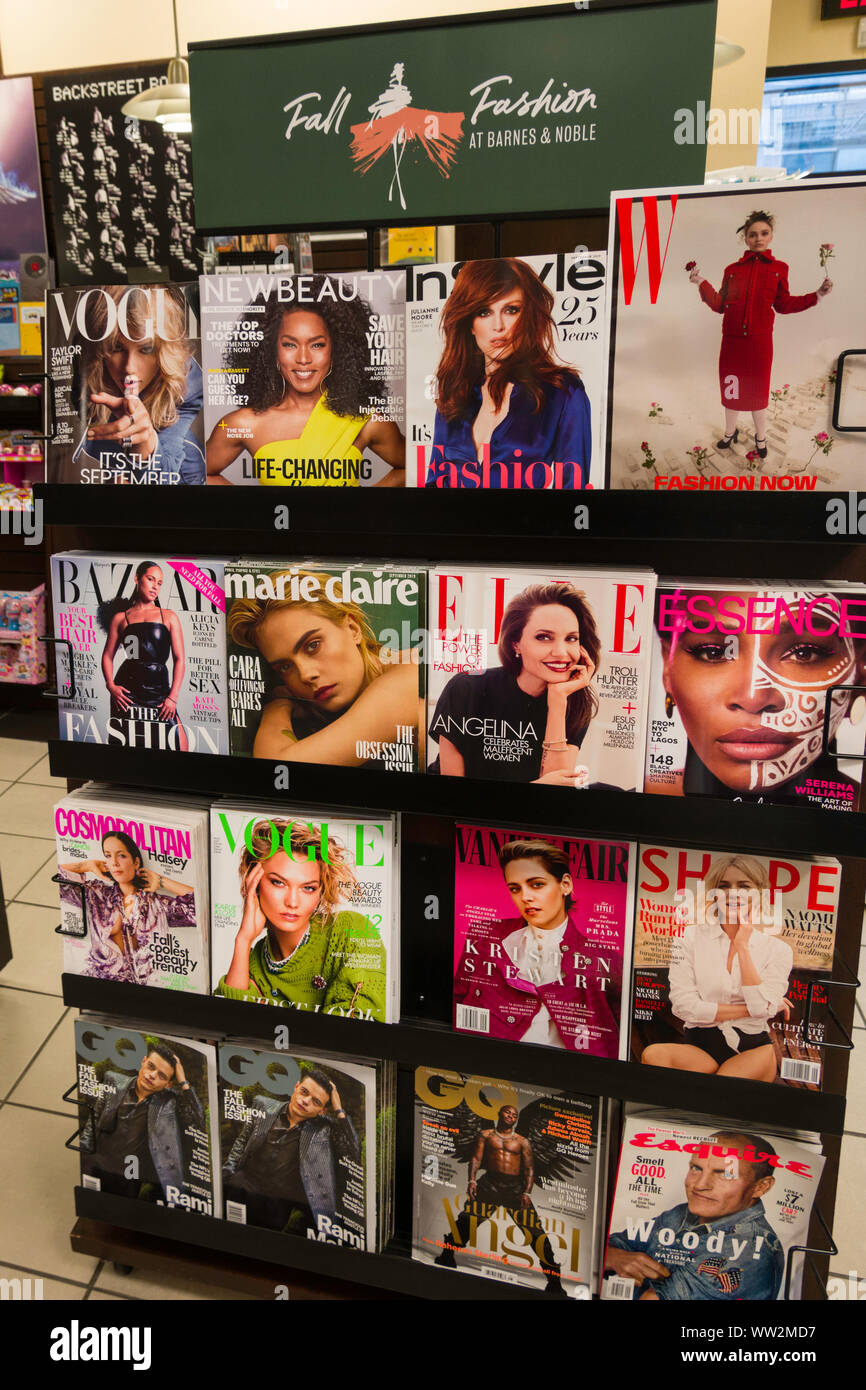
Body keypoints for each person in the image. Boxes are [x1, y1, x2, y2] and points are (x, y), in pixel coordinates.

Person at [653, 585, 866, 802]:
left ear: (861, 669)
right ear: (667, 668)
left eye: (804, 653)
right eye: (712, 652)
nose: (753, 698)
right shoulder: (625, 810)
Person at [205, 283, 405, 487]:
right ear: (271, 350)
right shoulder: (243, 424)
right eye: (290, 344)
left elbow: (415, 465)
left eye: (317, 345)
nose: (303, 358)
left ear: (338, 351)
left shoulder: (365, 419)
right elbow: (200, 473)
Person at [226, 568, 421, 765]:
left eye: (313, 645)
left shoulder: (410, 675)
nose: (305, 675)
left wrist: (278, 704)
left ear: (353, 629)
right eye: (285, 667)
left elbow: (278, 769)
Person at [426, 257, 591, 489]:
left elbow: (573, 493)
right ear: (470, 324)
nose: (498, 326)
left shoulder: (563, 392)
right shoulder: (454, 394)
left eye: (511, 310)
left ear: (528, 316)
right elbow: (433, 490)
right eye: (484, 312)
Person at [454, 838, 620, 1054]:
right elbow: (458, 1002)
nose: (525, 897)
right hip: (489, 1062)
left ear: (565, 885)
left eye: (537, 884)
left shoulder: (606, 959)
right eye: (515, 888)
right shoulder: (484, 935)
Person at [688, 210, 831, 460]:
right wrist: (701, 282)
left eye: (763, 233)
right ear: (745, 238)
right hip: (732, 343)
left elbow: (784, 304)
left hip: (759, 344)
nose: (758, 238)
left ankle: (761, 436)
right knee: (731, 391)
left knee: (757, 394)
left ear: (771, 236)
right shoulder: (732, 269)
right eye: (752, 234)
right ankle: (729, 432)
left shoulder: (779, 268)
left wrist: (816, 295)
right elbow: (720, 304)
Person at [429, 580, 599, 785]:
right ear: (515, 644)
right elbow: (454, 797)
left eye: (571, 638)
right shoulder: (466, 688)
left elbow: (555, 796)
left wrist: (558, 701)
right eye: (544, 637)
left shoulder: (574, 700)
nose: (561, 653)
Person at [640, 854, 792, 1082]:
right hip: (700, 1046)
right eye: (723, 886)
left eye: (744, 886)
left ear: (759, 893)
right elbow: (684, 1006)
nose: (732, 893)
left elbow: (761, 1008)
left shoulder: (778, 949)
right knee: (653, 1055)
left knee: (726, 1081)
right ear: (713, 893)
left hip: (753, 1049)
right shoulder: (689, 938)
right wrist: (757, 1008)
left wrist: (742, 946)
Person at [215, 817, 386, 1017]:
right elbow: (229, 1025)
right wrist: (243, 941)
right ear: (254, 883)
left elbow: (356, 1029)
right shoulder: (251, 963)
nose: (293, 902)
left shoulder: (351, 931)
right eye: (278, 883)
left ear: (321, 891)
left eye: (308, 888)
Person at [604, 1130, 784, 1300]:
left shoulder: (752, 1248)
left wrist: (611, 1259)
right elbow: (610, 1247)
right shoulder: (680, 1215)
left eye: (725, 1174)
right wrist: (612, 1256)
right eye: (696, 1168)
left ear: (761, 1187)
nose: (699, 1185)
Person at [70, 283, 204, 483]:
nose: (129, 368)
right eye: (116, 347)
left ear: (162, 351)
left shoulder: (186, 383)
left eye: (146, 349)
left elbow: (164, 477)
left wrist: (145, 444)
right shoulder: (90, 370)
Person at [434, 1103, 568, 1297]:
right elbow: (476, 1159)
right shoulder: (486, 1135)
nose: (511, 1116)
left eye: (514, 1115)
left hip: (515, 1189)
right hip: (489, 1184)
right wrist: (471, 1180)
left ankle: (554, 1281)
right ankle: (446, 1256)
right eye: (507, 1112)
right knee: (466, 1221)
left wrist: (527, 1192)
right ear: (499, 1113)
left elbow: (530, 1168)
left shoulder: (522, 1141)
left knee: (535, 1233)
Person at [222, 1067, 361, 1236]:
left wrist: (339, 1109)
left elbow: (353, 1152)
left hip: (277, 1205)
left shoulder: (324, 1129)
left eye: (316, 1102)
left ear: (322, 1110)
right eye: (304, 1092)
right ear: (296, 1086)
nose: (306, 1101)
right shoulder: (263, 1104)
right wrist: (227, 1175)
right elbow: (242, 1141)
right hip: (241, 1186)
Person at [59, 829, 195, 985]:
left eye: (121, 855)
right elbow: (61, 881)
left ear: (136, 862)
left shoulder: (156, 905)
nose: (114, 862)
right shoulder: (97, 895)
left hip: (146, 988)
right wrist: (87, 865)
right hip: (99, 984)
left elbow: (200, 908)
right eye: (108, 856)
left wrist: (162, 882)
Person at [80, 1044, 203, 1204]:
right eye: (150, 1066)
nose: (152, 1075)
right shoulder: (114, 1081)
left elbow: (198, 1120)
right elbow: (94, 1120)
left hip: (130, 1176)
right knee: (90, 1204)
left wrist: (183, 1081)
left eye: (161, 1076)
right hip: (97, 1163)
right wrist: (84, 1156)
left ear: (168, 1084)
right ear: (143, 1061)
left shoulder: (169, 1102)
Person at [100, 560, 189, 752]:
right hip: (128, 690)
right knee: (126, 741)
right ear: (137, 579)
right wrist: (111, 686)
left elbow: (180, 659)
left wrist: (172, 697)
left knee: (180, 745)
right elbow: (108, 656)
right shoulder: (120, 618)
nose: (155, 586)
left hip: (158, 689)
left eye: (159, 583)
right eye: (151, 579)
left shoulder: (169, 616)